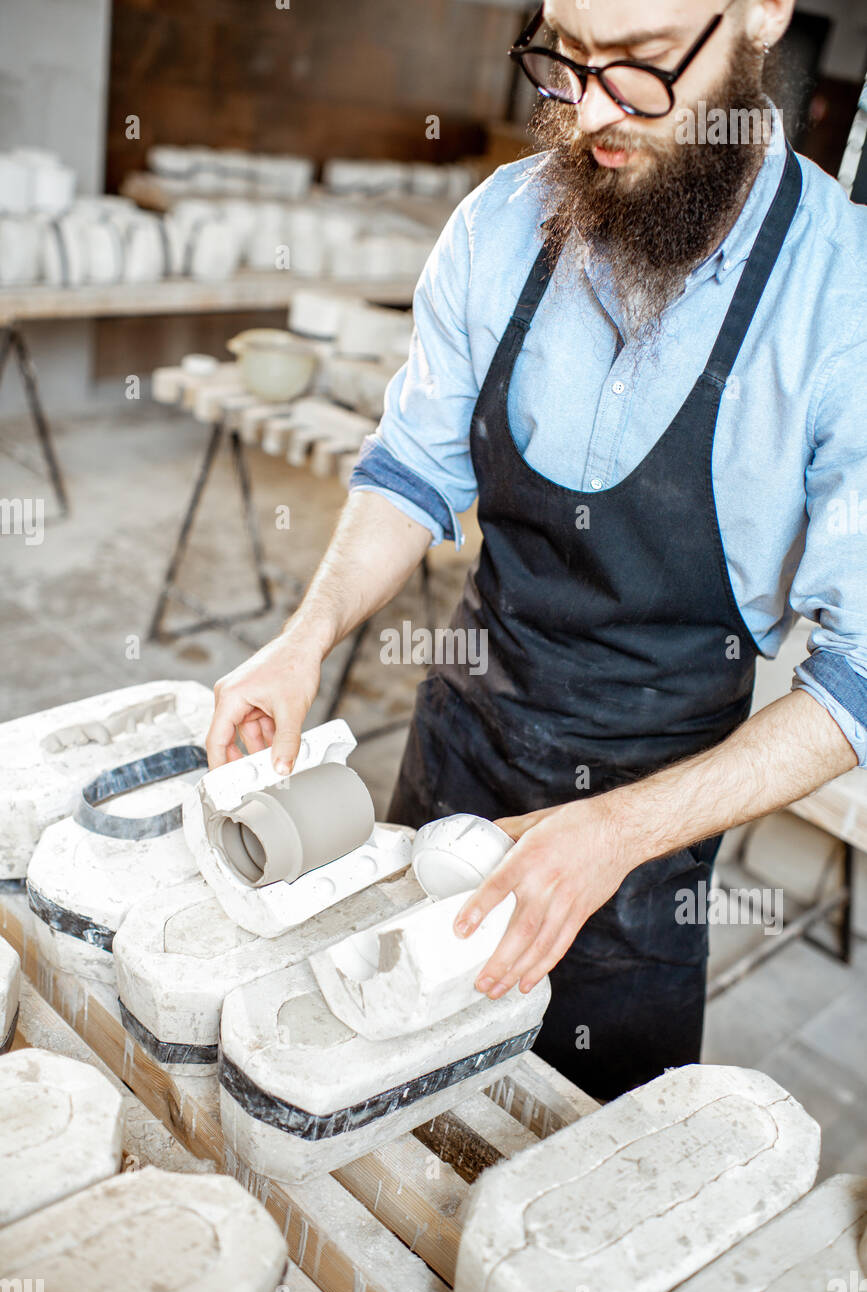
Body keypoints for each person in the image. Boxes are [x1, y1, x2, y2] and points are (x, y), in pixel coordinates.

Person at [207, 0, 867, 1100]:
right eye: (566, 55)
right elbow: (412, 470)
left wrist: (615, 833)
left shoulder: (841, 300)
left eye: (645, 65)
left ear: (760, 15)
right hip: (458, 748)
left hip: (650, 831)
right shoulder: (500, 225)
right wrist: (304, 636)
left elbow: (858, 675)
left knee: (563, 1159)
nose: (594, 106)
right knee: (373, 1071)